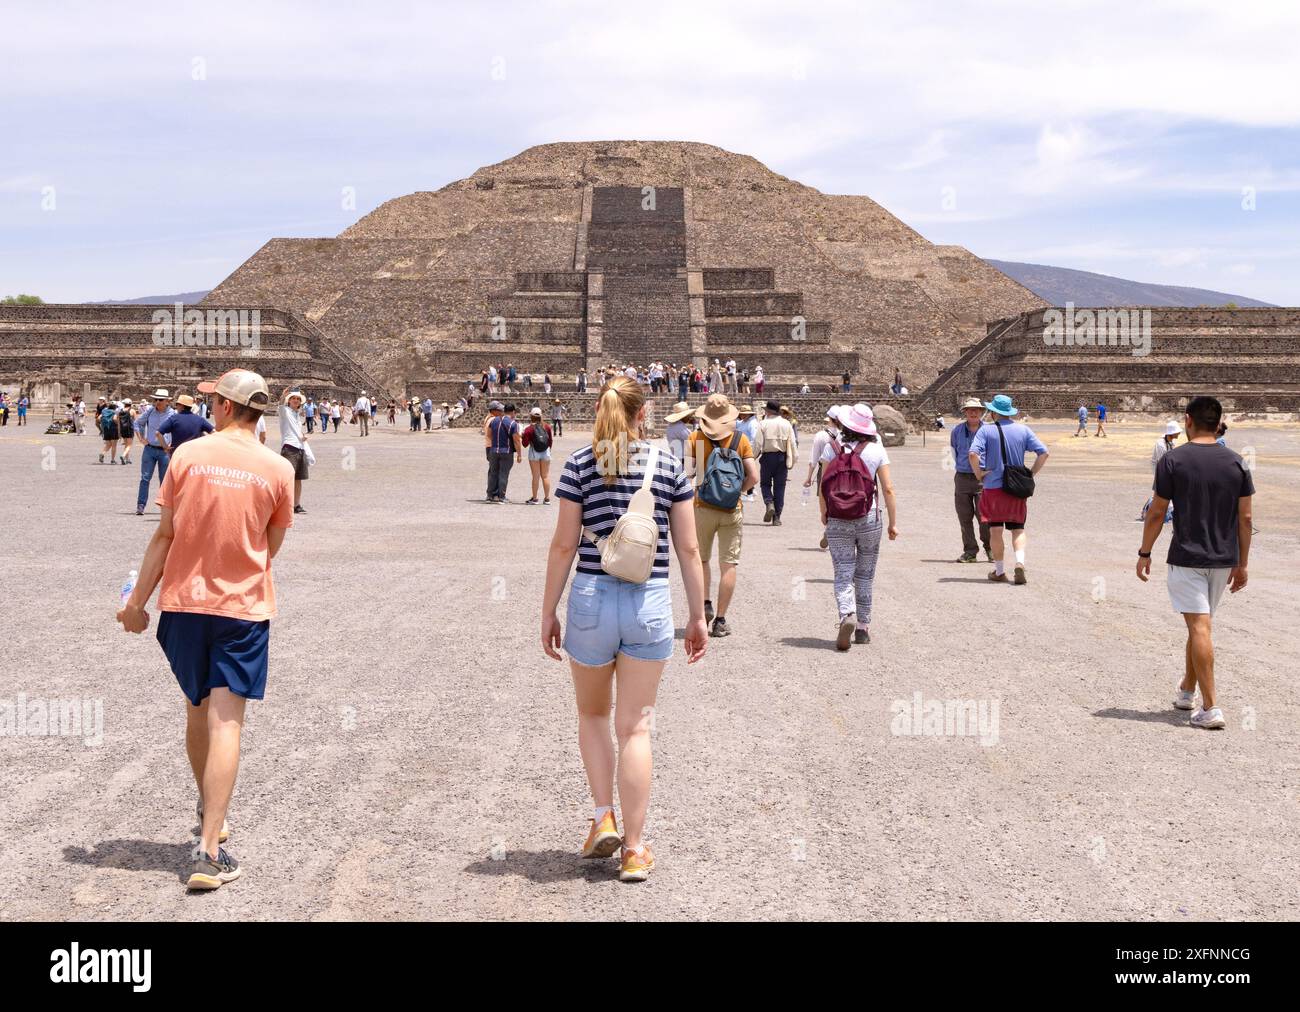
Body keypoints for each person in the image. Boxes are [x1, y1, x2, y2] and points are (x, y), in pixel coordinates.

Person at [116, 367, 294, 891]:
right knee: (227, 721)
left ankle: (207, 808)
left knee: (197, 709)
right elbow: (271, 544)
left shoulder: (188, 457)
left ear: (222, 408)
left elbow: (165, 535)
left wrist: (136, 605)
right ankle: (209, 850)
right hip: (242, 607)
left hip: (185, 606)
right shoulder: (276, 468)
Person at [541, 375, 706, 883]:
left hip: (591, 598)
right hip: (648, 602)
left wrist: (548, 611)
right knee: (636, 727)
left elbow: (564, 546)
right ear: (642, 414)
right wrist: (698, 616)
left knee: (593, 715)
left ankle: (601, 818)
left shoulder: (578, 464)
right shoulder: (668, 465)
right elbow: (689, 549)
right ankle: (634, 849)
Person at [1137, 396, 1252, 730]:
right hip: (1223, 558)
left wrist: (1145, 552)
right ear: (1218, 423)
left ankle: (1211, 706)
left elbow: (1157, 511)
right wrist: (1242, 563)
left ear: (1188, 420)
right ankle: (1187, 691)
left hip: (1187, 556)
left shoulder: (1173, 460)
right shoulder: (1238, 462)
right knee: (1198, 625)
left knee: (1200, 626)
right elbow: (1245, 518)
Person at [819, 403, 897, 649]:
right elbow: (887, 489)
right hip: (869, 517)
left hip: (837, 518)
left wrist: (824, 514)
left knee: (843, 572)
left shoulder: (830, 448)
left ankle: (846, 615)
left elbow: (823, 487)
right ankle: (863, 627)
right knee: (865, 574)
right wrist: (893, 524)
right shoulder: (876, 450)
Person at [688, 394, 758, 638]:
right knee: (728, 564)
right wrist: (735, 492)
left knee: (702, 560)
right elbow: (754, 477)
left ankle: (705, 603)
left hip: (703, 507)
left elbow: (692, 475)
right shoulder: (741, 439)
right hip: (731, 509)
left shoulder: (695, 437)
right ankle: (720, 620)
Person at [969, 394, 1049, 585]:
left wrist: (979, 474)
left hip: (993, 488)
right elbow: (1044, 453)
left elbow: (973, 454)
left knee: (996, 531)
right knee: (1018, 530)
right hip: (1015, 488)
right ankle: (1020, 563)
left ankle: (999, 571)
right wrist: (1030, 474)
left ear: (994, 412)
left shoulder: (985, 431)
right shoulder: (1023, 430)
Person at [950, 398, 992, 563]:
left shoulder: (989, 431)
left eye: (976, 409)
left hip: (983, 478)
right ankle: (970, 551)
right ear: (965, 412)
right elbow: (953, 451)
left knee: (984, 516)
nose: (973, 412)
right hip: (962, 477)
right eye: (970, 410)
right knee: (964, 517)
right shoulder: (957, 431)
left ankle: (990, 547)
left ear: (981, 412)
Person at [753, 399, 797, 525]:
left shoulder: (763, 424)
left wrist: (752, 457)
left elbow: (757, 444)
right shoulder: (786, 424)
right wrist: (793, 460)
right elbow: (793, 444)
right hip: (782, 458)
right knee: (780, 487)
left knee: (765, 484)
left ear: (768, 412)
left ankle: (769, 502)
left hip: (767, 457)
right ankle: (777, 517)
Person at [804, 407, 843, 550]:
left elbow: (814, 458)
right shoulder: (845, 435)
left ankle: (829, 528)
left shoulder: (821, 435)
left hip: (825, 469)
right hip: (843, 471)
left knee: (826, 501)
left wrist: (809, 477)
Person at [134, 389, 176, 515]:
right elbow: (137, 423)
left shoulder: (173, 414)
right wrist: (141, 438)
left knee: (164, 481)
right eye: (155, 399)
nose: (157, 402)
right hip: (150, 449)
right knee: (145, 478)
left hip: (164, 451)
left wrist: (172, 442)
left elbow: (177, 428)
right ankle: (141, 505)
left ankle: (165, 507)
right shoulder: (150, 411)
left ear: (167, 401)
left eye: (160, 400)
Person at [1138, 421, 1181, 522]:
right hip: (1160, 471)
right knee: (1159, 496)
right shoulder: (1160, 444)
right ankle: (1149, 513)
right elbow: (1162, 462)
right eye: (1177, 432)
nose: (1179, 433)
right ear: (1172, 433)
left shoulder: (1170, 442)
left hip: (1165, 471)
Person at [278, 389, 309, 514]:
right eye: (293, 398)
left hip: (300, 447)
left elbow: (296, 430)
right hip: (289, 448)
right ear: (289, 401)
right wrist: (283, 396)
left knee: (298, 478)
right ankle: (284, 504)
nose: (296, 400)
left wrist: (303, 437)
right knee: (287, 478)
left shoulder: (297, 415)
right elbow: (280, 405)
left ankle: (296, 504)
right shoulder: (285, 411)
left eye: (298, 399)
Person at [484, 400, 521, 503]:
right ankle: (501, 496)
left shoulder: (494, 421)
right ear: (513, 412)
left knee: (493, 473)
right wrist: (519, 454)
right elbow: (516, 440)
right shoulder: (513, 423)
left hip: (493, 450)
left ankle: (490, 495)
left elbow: (489, 435)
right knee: (503, 474)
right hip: (506, 451)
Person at [522, 407, 555, 505]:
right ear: (541, 416)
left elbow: (525, 444)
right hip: (546, 452)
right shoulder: (547, 427)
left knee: (535, 476)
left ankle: (535, 498)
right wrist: (548, 450)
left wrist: (523, 435)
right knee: (545, 476)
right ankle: (547, 498)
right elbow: (550, 441)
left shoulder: (528, 429)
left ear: (531, 416)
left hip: (534, 452)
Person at [116, 400, 135, 465]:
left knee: (126, 444)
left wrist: (119, 432)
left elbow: (118, 423)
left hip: (122, 429)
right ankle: (123, 456)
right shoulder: (132, 411)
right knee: (129, 445)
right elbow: (135, 421)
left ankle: (127, 459)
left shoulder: (120, 411)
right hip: (129, 429)